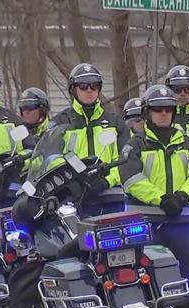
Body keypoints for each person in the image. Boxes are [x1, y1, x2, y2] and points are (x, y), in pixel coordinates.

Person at [119, 84, 189, 308]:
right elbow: (131, 179)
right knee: (138, 276)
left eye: (168, 109)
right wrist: (160, 199)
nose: (163, 113)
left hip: (180, 221)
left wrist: (182, 196)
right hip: (145, 221)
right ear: (146, 113)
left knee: (183, 277)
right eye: (157, 109)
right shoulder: (134, 145)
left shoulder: (186, 143)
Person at [46, 62, 128, 215]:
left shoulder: (115, 122)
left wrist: (107, 181)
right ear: (73, 89)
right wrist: (74, 180)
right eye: (83, 86)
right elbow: (51, 158)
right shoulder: (60, 122)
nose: (89, 90)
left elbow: (125, 159)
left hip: (110, 195)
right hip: (72, 197)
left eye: (94, 86)